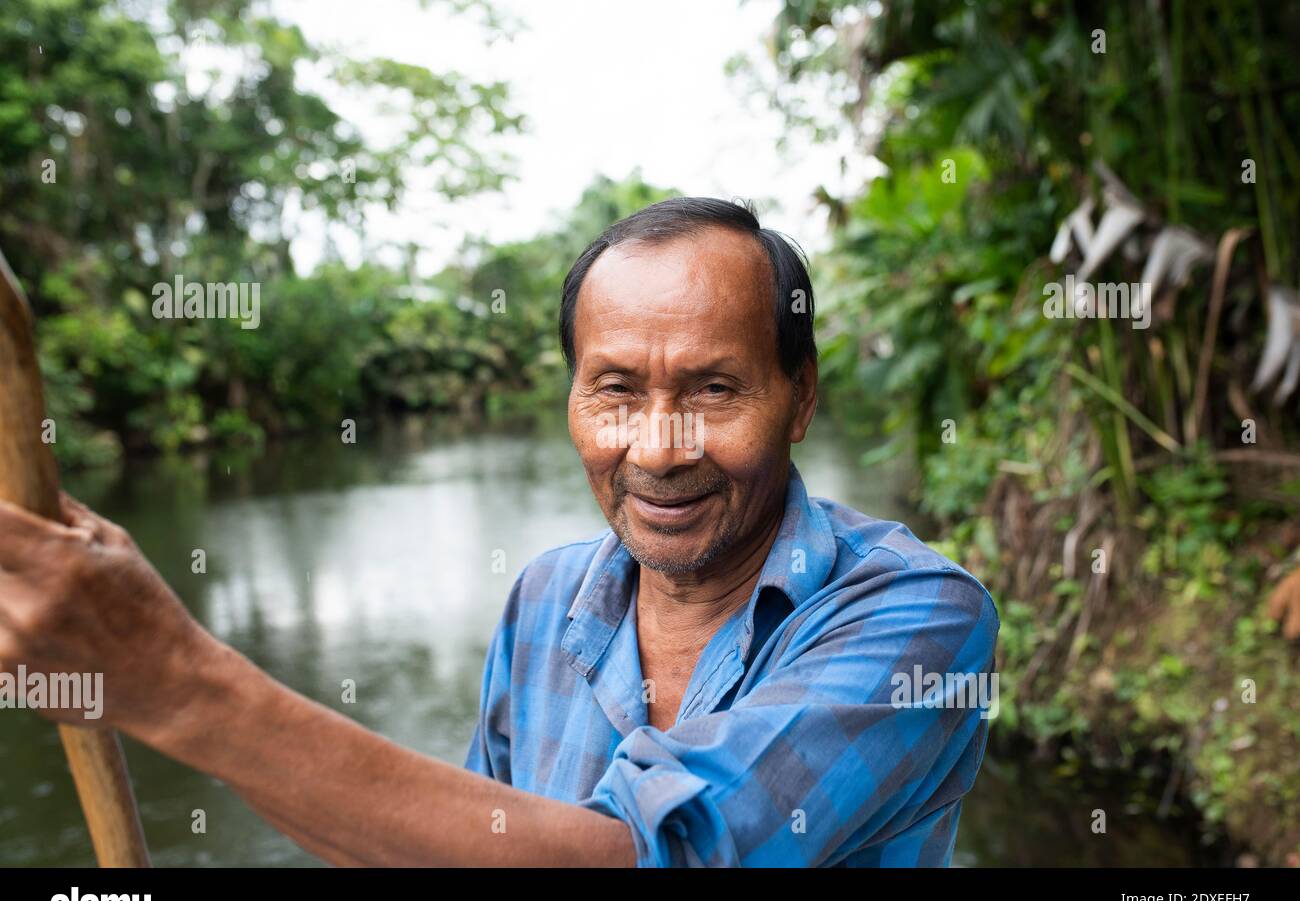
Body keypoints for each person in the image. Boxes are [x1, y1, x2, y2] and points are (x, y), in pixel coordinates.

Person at [0, 197, 998, 866]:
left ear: (800, 397)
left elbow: (657, 857)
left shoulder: (921, 618)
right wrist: (140, 682)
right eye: (613, 391)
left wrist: (175, 681)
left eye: (714, 389)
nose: (656, 448)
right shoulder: (547, 597)